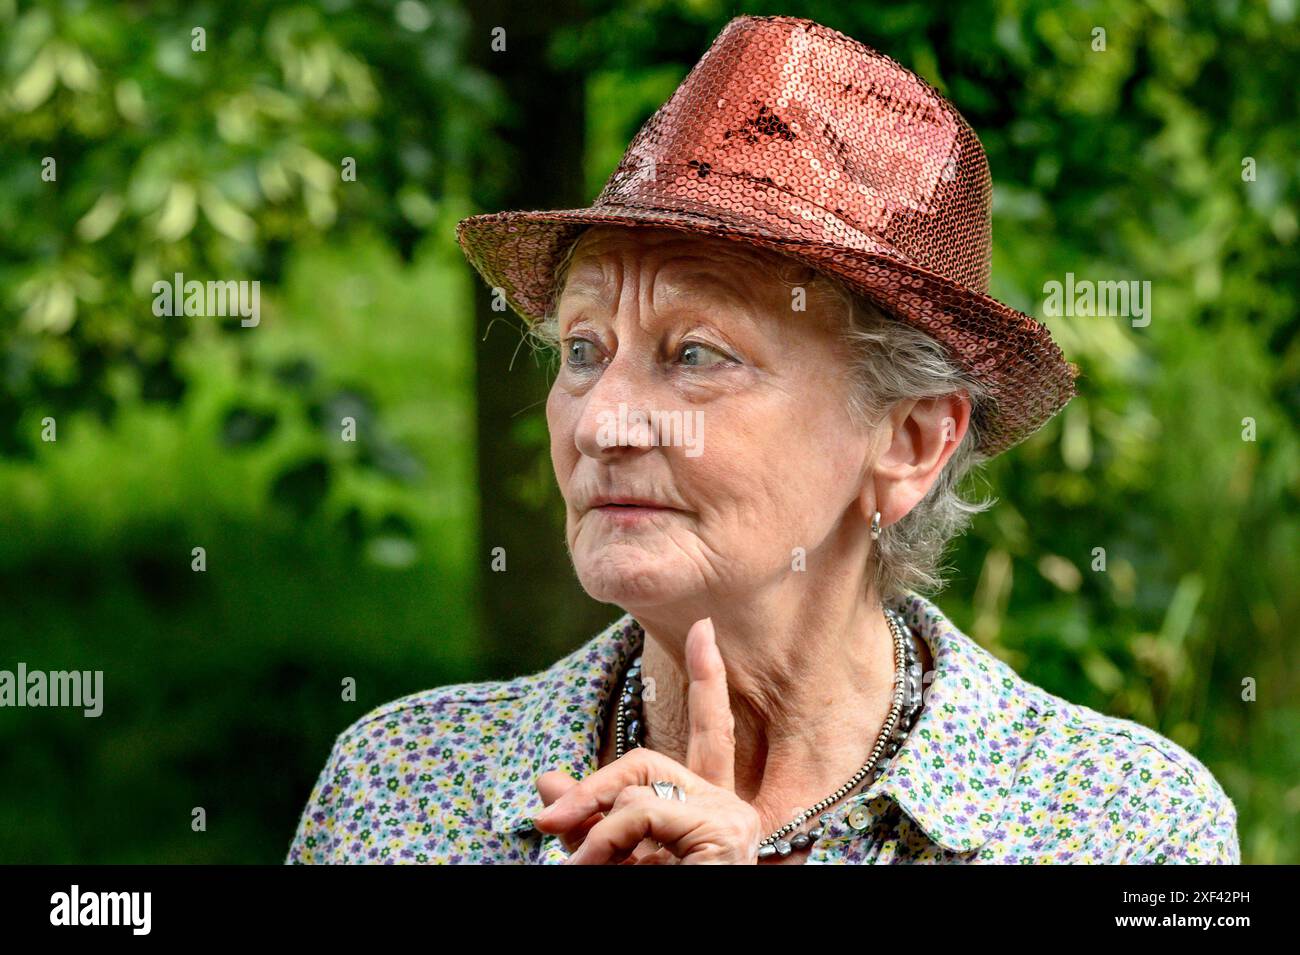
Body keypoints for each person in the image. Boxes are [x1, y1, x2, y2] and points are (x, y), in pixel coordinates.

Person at [287, 14, 1238, 864]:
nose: (604, 421)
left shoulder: (1119, 825)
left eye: (696, 354)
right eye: (583, 349)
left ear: (909, 438)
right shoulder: (402, 789)